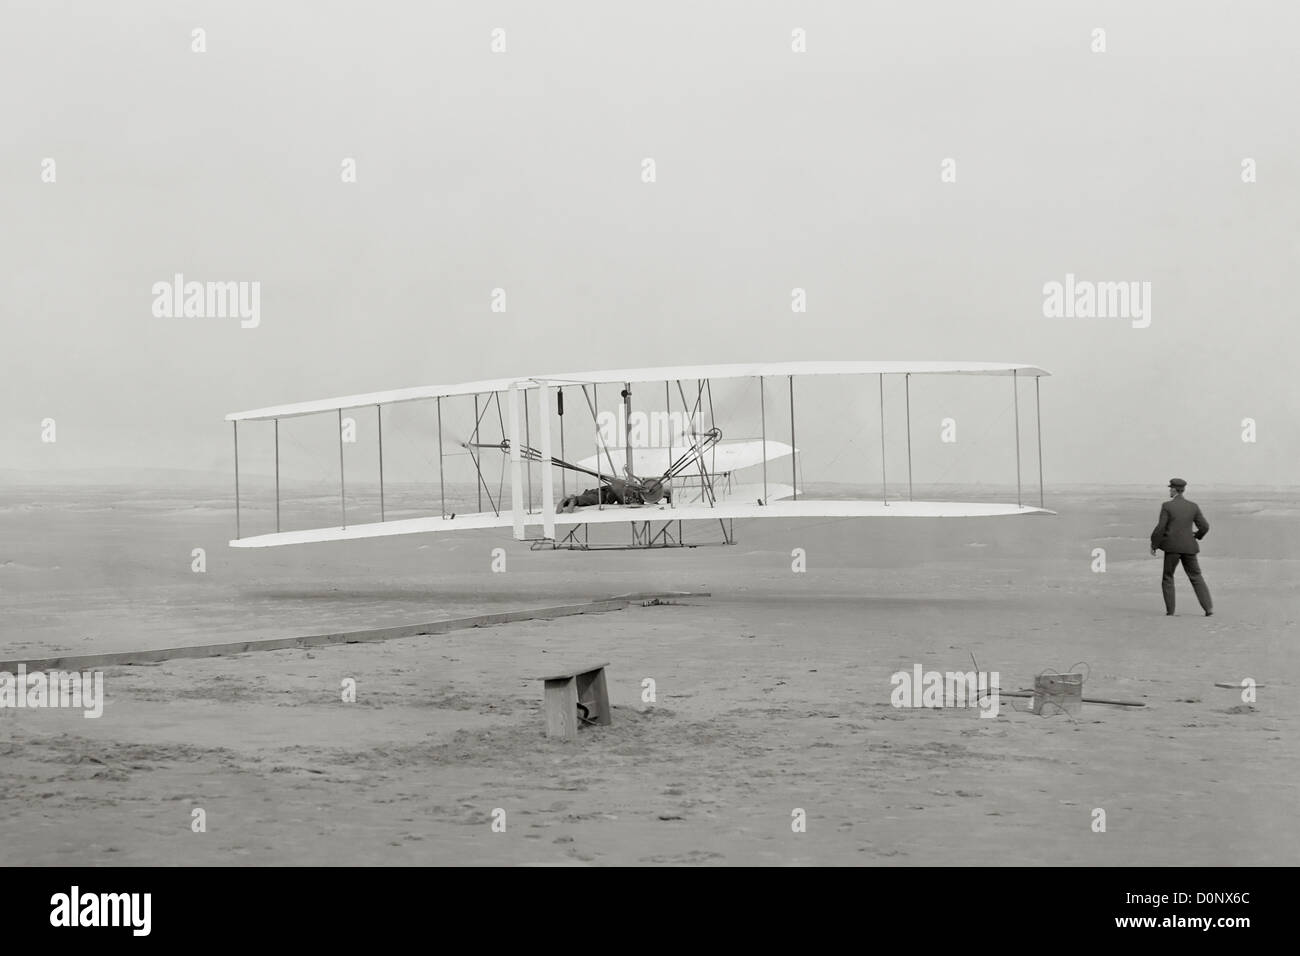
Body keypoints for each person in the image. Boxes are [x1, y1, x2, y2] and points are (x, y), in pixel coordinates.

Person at [1149, 478, 1213, 616]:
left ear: (1174, 489)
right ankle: (1208, 609)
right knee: (1196, 577)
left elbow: (1160, 528)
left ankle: (1170, 611)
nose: (1169, 491)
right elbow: (1205, 526)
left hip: (1172, 547)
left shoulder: (1167, 506)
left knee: (1168, 577)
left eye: (1170, 489)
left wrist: (1154, 544)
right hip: (1189, 547)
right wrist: (1197, 536)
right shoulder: (1193, 506)